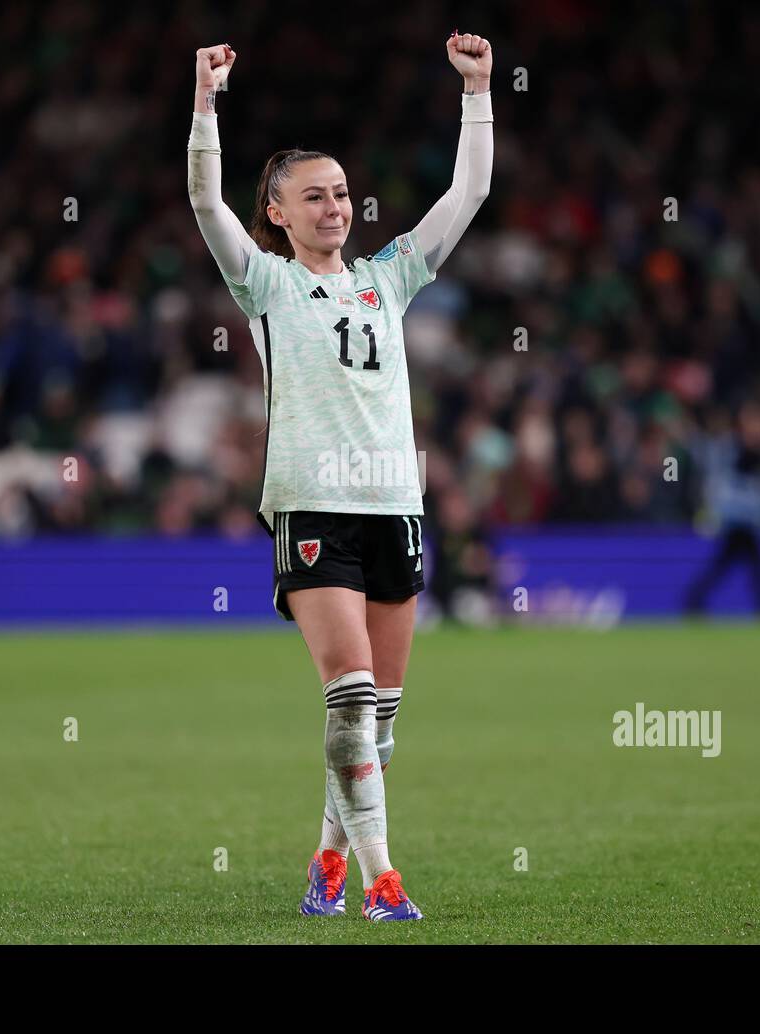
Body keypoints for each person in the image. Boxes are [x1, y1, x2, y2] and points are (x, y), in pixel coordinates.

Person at [187, 32, 493, 920]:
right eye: (314, 197)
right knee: (350, 697)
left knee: (379, 727)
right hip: (313, 504)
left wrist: (477, 90)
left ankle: (326, 853)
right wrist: (206, 104)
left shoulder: (388, 280)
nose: (334, 207)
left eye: (342, 194)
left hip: (394, 505)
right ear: (278, 213)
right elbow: (205, 202)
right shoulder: (269, 287)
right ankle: (381, 882)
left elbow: (469, 191)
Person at [683, 401, 760, 616]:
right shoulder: (731, 452)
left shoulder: (756, 455)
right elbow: (724, 486)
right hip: (736, 522)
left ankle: (694, 601)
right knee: (744, 566)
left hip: (746, 523)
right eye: (755, 422)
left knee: (741, 566)